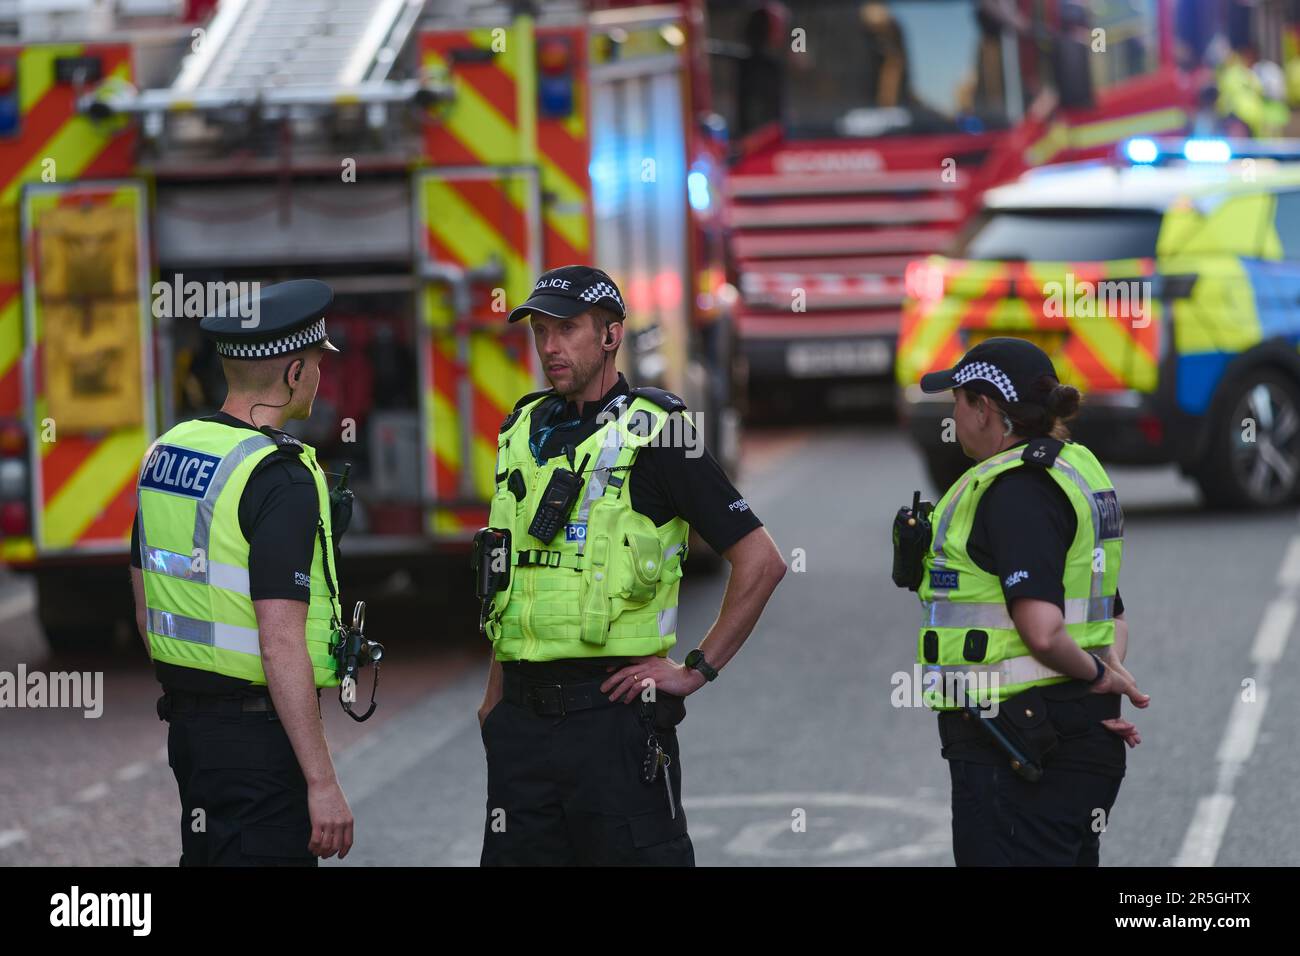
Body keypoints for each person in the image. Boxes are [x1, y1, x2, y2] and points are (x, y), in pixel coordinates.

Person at [476, 265, 787, 866]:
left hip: (613, 726)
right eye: (541, 332)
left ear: (611, 335)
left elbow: (761, 561)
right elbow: (512, 578)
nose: (549, 347)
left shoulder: (661, 432)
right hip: (521, 726)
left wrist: (696, 670)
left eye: (567, 329)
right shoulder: (520, 428)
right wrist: (494, 704)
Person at [129, 278, 355, 866]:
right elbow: (281, 644)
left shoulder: (168, 452)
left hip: (191, 733)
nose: (319, 377)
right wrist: (322, 781)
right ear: (291, 373)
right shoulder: (280, 476)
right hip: (260, 742)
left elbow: (145, 595)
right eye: (315, 365)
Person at [906, 337, 1150, 866]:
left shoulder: (1015, 490)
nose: (953, 412)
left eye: (958, 399)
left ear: (985, 408)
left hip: (1019, 749)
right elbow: (1111, 613)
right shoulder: (1072, 470)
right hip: (1068, 738)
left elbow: (1041, 630)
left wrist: (1097, 679)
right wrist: (1106, 677)